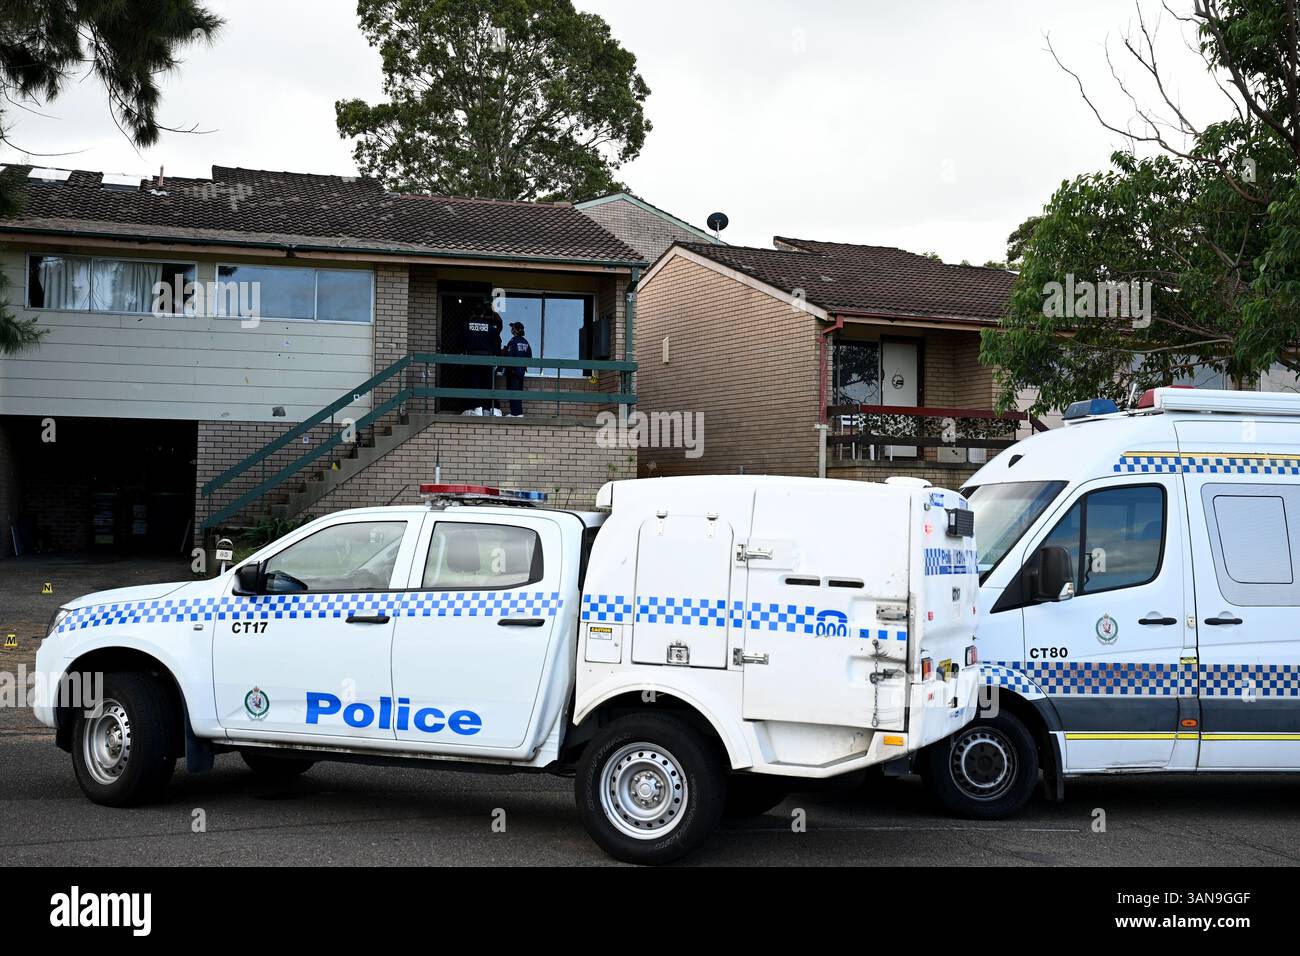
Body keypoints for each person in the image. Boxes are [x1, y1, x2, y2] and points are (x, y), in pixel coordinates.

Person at [461, 303, 502, 416]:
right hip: (487, 359)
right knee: (487, 384)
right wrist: (496, 356)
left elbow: (460, 342)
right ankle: (486, 409)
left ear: (473, 313)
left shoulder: (466, 325)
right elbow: (496, 343)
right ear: (483, 313)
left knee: (474, 383)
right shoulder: (490, 326)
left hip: (471, 358)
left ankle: (477, 408)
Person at [501, 320, 532, 417]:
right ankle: (519, 413)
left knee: (512, 392)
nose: (511, 329)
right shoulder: (526, 342)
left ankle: (515, 413)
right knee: (518, 392)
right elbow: (529, 357)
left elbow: (509, 356)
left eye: (513, 328)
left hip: (512, 371)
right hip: (521, 371)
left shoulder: (513, 341)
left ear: (516, 330)